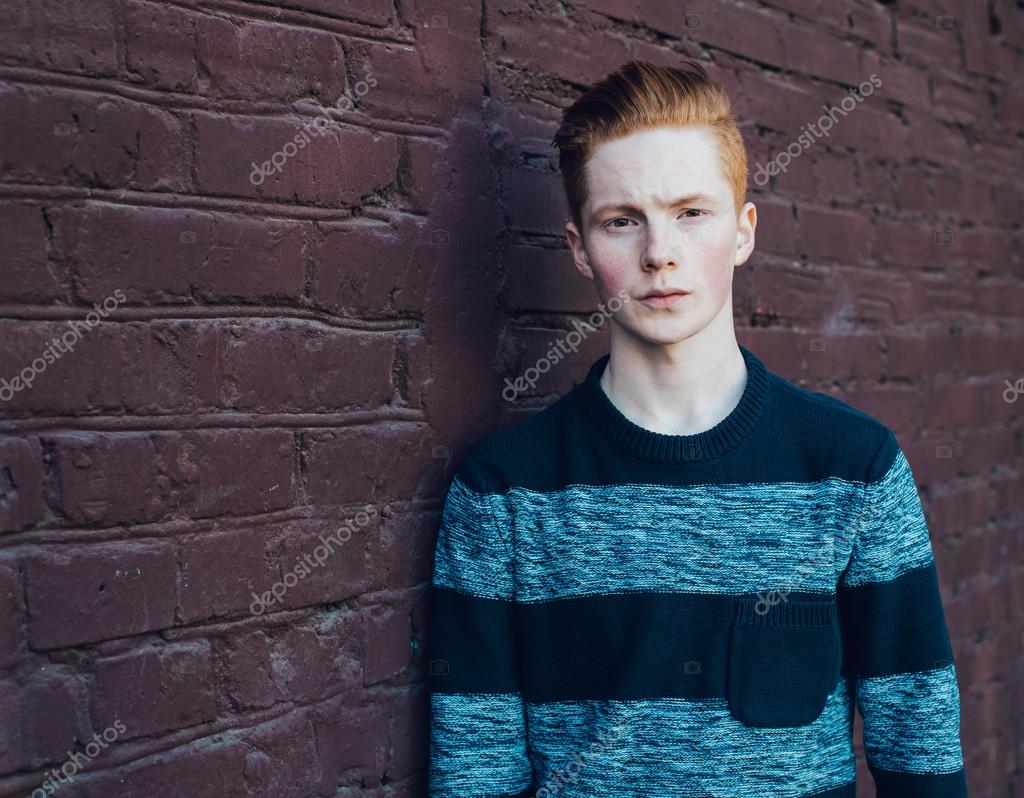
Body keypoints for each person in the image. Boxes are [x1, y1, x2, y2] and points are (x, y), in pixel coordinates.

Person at [427, 59, 967, 798]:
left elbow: (920, 745)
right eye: (622, 221)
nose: (659, 253)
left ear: (743, 231)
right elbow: (475, 771)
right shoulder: (504, 493)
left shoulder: (852, 469)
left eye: (691, 211)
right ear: (581, 247)